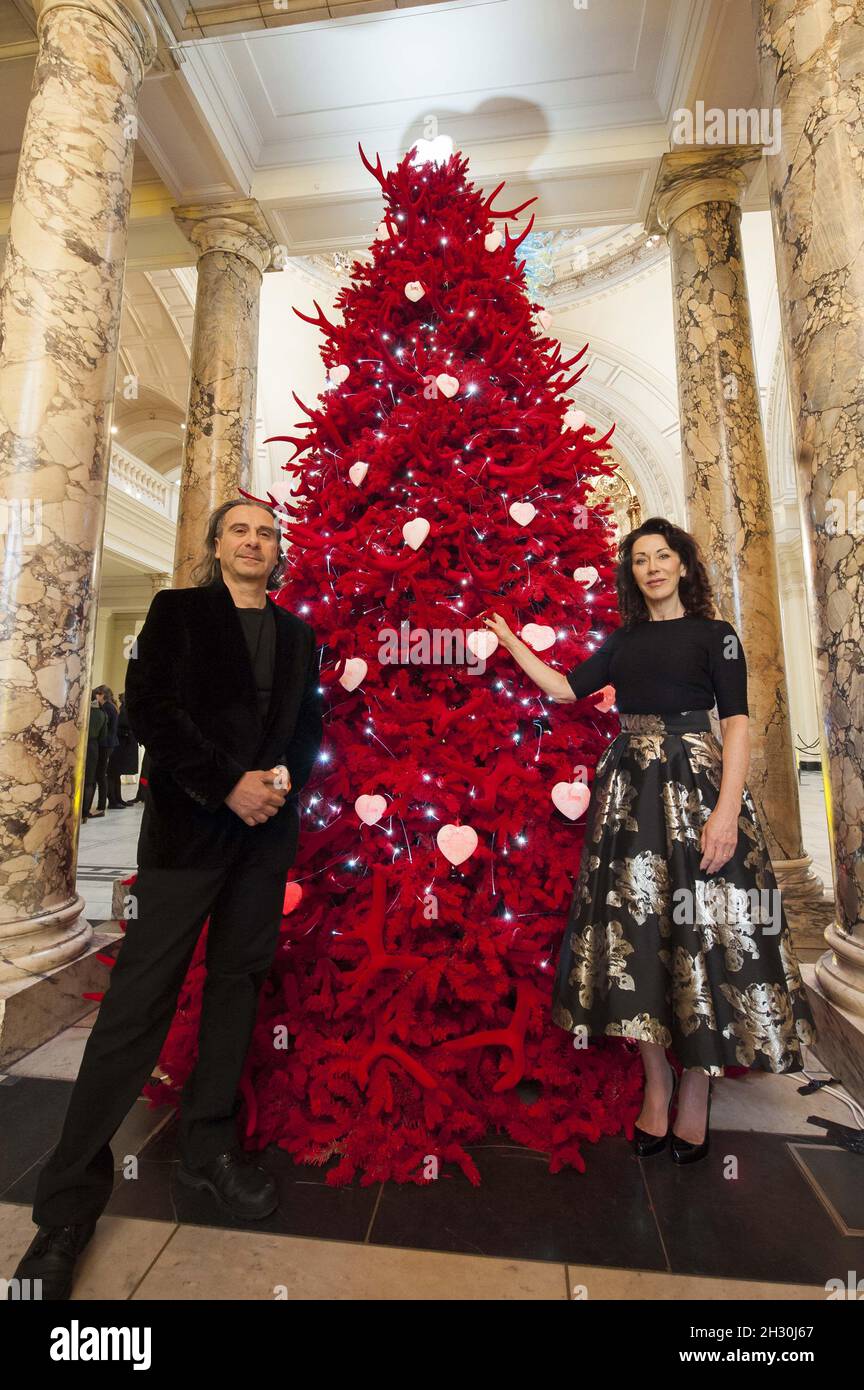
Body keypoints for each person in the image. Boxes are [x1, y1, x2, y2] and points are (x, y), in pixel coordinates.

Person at [10, 499, 323, 1301]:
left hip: (265, 842)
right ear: (217, 546)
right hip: (189, 838)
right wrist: (227, 785)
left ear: (277, 550)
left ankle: (210, 1150)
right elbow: (152, 707)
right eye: (240, 531)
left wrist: (280, 782)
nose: (254, 542)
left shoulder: (298, 635)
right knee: (136, 1004)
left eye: (266, 533)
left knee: (236, 986)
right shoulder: (177, 612)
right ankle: (67, 1208)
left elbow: (305, 729)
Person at [482, 516, 815, 1166]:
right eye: (640, 559)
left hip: (697, 793)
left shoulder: (715, 637)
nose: (653, 566)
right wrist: (508, 640)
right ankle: (656, 1082)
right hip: (629, 800)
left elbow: (739, 725)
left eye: (663, 556)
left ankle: (696, 1089)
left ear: (683, 565)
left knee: (701, 940)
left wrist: (725, 815)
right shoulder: (624, 642)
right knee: (638, 941)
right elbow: (561, 686)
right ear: (632, 574)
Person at [89, 685, 118, 816]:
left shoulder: (107, 708)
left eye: (97, 694)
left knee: (100, 775)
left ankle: (101, 807)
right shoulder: (110, 707)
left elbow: (106, 728)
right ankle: (101, 806)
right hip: (107, 743)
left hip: (105, 744)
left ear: (102, 695)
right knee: (100, 774)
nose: (96, 697)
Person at [106, 692, 138, 808]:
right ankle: (113, 800)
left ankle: (118, 798)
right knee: (113, 773)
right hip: (119, 745)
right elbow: (121, 725)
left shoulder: (122, 708)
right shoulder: (122, 709)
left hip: (121, 744)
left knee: (117, 773)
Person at [82, 691, 107, 825]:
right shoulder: (102, 714)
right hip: (93, 747)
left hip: (80, 745)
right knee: (90, 781)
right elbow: (103, 736)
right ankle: (85, 812)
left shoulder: (82, 712)